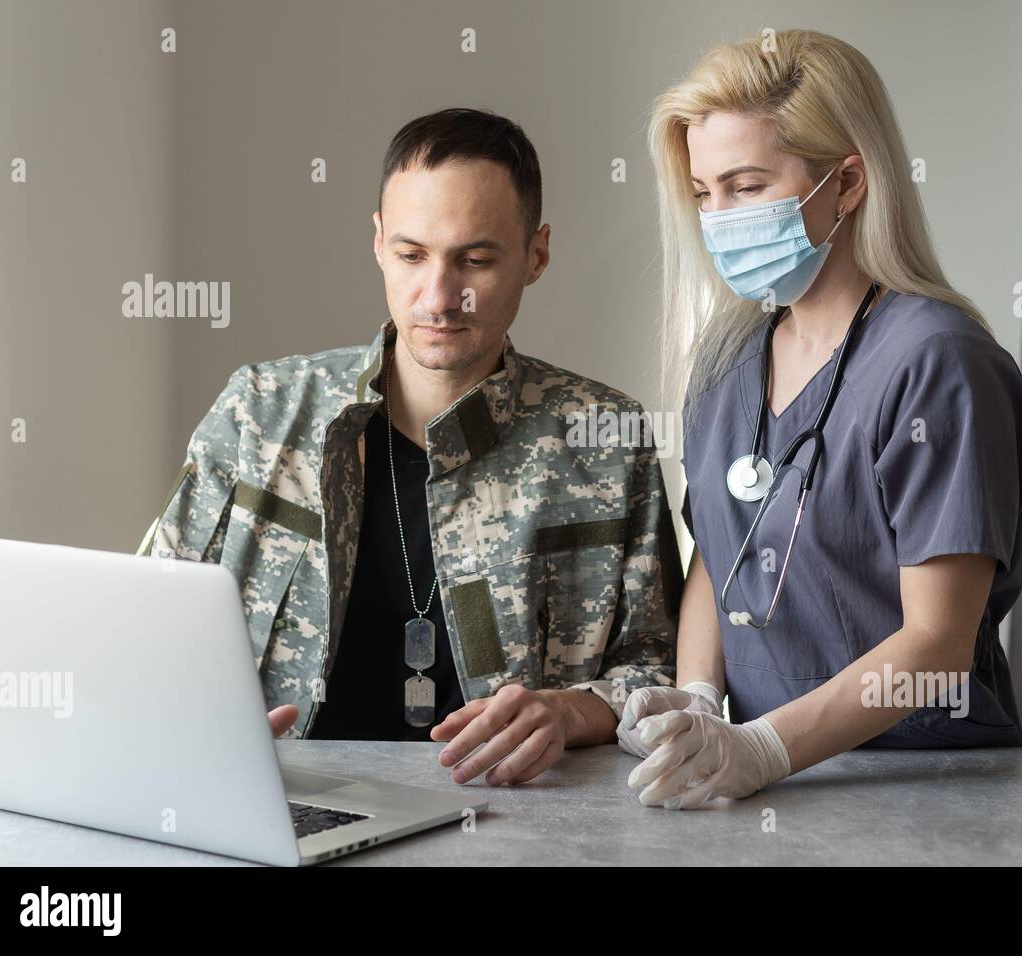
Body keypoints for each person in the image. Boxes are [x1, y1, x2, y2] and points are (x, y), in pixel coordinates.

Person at [137, 108, 682, 787]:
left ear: (536, 255)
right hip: (284, 801)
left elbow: (665, 677)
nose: (439, 297)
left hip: (516, 820)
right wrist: (198, 719)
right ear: (377, 244)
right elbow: (143, 625)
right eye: (411, 255)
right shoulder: (260, 414)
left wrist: (571, 711)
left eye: (475, 260)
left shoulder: (606, 440)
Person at [618, 30, 1022, 809]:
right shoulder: (727, 360)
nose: (718, 218)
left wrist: (765, 747)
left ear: (847, 182)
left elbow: (937, 643)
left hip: (928, 790)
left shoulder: (937, 362)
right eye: (703, 192)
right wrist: (695, 697)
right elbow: (720, 557)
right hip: (761, 796)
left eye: (746, 186)